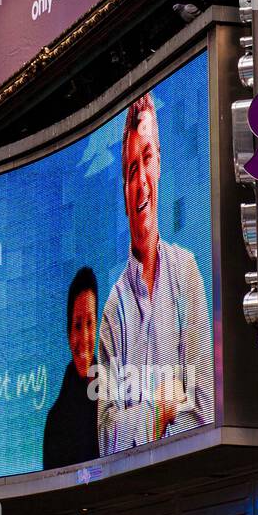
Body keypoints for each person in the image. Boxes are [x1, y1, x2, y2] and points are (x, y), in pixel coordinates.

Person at [96, 92, 213, 455]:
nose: (142, 181)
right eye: (132, 170)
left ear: (159, 163)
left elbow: (205, 408)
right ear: (125, 189)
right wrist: (157, 412)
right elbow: (103, 437)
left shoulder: (186, 270)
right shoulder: (113, 309)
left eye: (146, 159)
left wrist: (134, 423)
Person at [42, 267, 100, 469]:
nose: (84, 338)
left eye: (90, 323)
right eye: (77, 325)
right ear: (68, 333)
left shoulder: (118, 391)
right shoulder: (56, 420)